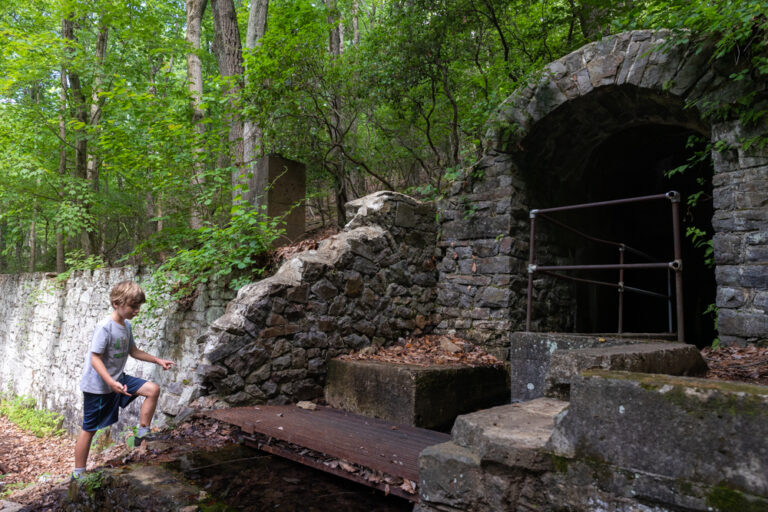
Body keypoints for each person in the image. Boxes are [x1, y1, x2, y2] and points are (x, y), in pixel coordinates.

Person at [73, 280, 175, 479]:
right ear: (116, 303)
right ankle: (78, 473)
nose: (137, 311)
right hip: (98, 387)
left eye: (138, 307)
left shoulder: (126, 325)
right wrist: (110, 383)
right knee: (89, 429)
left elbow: (133, 351)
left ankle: (142, 434)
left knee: (152, 389)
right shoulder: (104, 327)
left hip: (118, 380)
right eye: (133, 306)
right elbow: (95, 359)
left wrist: (157, 360)